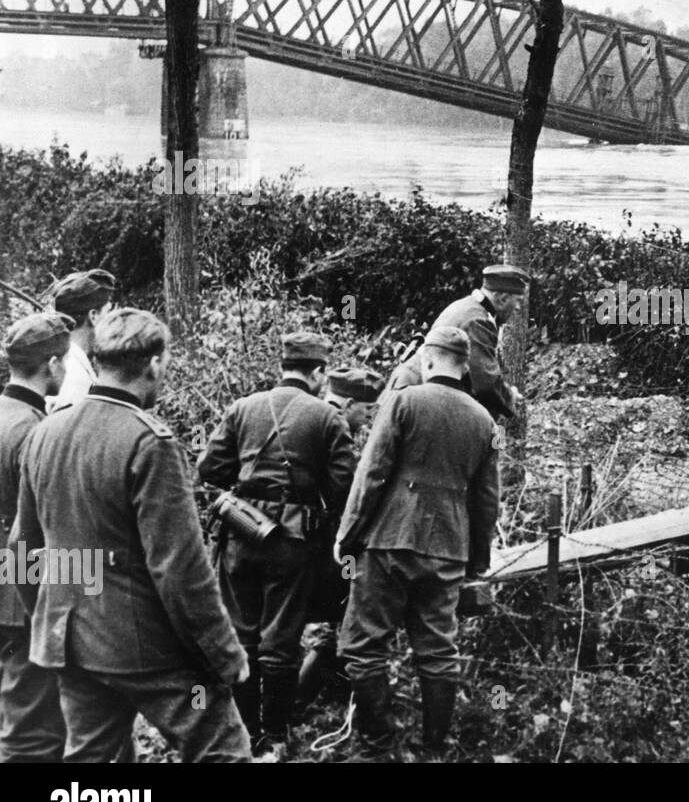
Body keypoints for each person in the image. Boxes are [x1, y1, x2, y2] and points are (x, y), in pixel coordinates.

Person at [10, 308, 251, 762]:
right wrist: (223, 656)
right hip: (145, 649)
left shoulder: (46, 433)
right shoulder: (150, 442)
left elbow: (22, 549)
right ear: (155, 364)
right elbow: (180, 569)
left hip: (71, 644)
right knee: (221, 746)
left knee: (91, 764)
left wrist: (47, 613)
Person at [336, 326, 499, 760]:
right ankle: (433, 749)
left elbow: (371, 474)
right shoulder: (483, 420)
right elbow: (487, 501)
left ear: (426, 360)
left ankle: (378, 746)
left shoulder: (403, 401)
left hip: (389, 541)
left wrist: (348, 535)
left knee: (363, 645)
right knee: (438, 651)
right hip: (448, 547)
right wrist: (476, 562)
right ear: (465, 367)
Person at [197, 331, 354, 750]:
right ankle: (276, 734)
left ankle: (247, 733)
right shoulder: (327, 417)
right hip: (292, 543)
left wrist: (247, 486)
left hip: (240, 534)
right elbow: (344, 488)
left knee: (243, 638)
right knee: (280, 642)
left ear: (283, 366)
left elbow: (209, 468)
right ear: (318, 372)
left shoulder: (242, 408)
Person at [0, 313, 71, 762]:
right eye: (64, 361)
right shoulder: (34, 430)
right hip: (20, 581)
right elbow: (46, 523)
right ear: (51, 363)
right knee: (32, 727)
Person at [296, 366, 385, 716]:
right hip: (324, 546)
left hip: (288, 539)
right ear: (348, 404)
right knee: (338, 622)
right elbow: (346, 497)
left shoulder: (303, 416)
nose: (366, 420)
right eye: (365, 411)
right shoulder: (335, 429)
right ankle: (296, 705)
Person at [387, 264, 530, 420]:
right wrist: (510, 397)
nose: (517, 308)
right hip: (416, 390)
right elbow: (484, 382)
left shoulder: (468, 307)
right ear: (502, 299)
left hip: (415, 387)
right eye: (517, 302)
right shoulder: (477, 321)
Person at [48, 269, 116, 410]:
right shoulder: (74, 376)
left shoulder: (69, 362)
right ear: (94, 316)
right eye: (108, 311)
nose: (113, 321)